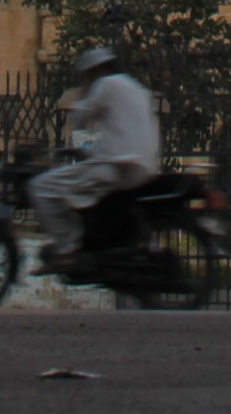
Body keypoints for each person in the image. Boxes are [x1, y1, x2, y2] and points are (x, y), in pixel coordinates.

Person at [31, 44, 160, 267]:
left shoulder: (106, 84)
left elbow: (81, 117)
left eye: (87, 76)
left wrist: (81, 143)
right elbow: (120, 128)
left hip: (114, 165)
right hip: (142, 168)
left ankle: (66, 248)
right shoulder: (136, 88)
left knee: (42, 187)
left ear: (95, 71)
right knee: (86, 196)